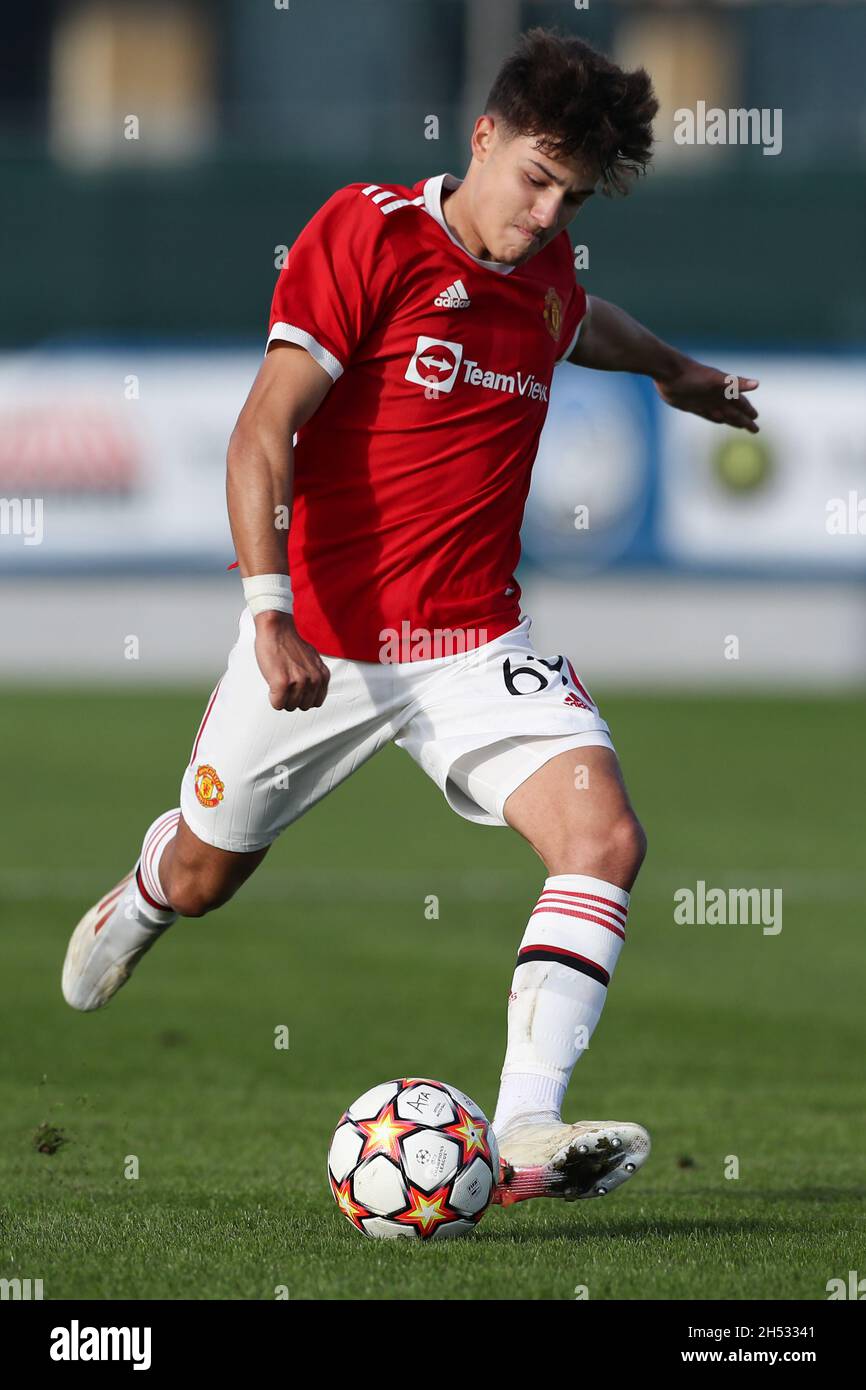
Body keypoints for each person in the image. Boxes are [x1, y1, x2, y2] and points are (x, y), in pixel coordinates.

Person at [62, 28, 759, 1207]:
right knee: (201, 876)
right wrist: (266, 608)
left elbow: (576, 316)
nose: (545, 213)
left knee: (606, 842)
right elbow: (261, 429)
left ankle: (526, 1130)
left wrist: (670, 370)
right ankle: (142, 892)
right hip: (316, 650)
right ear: (479, 138)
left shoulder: (544, 268)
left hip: (477, 645)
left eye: (571, 195)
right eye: (533, 177)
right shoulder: (368, 234)